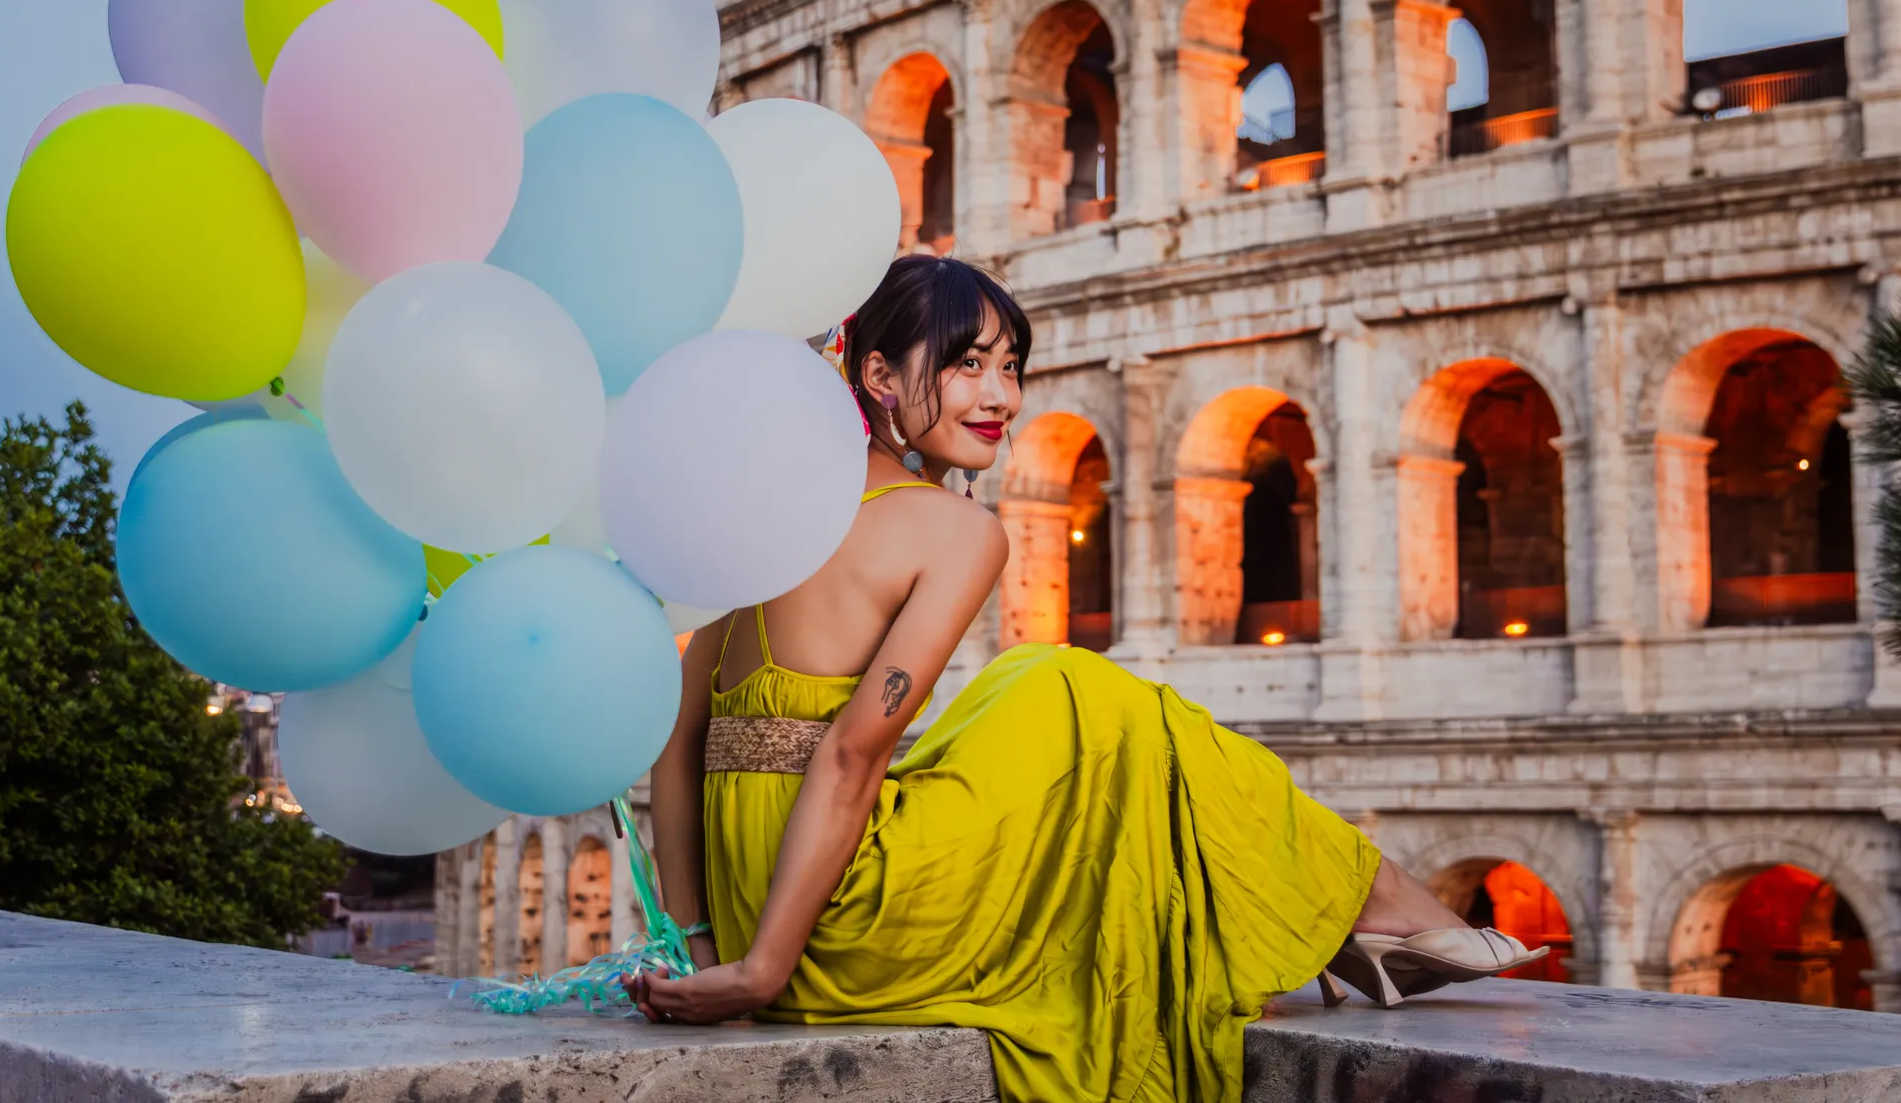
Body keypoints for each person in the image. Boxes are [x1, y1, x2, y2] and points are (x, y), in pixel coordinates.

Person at [624, 255, 1544, 1101]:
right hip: (841, 921)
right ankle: (1378, 907)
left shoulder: (765, 505)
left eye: (1011, 367)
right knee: (1087, 694)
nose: (1001, 397)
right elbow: (849, 761)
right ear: (878, 377)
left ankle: (1373, 914)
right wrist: (765, 975)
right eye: (967, 364)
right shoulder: (956, 531)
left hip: (757, 901)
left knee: (1038, 686)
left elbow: (678, 741)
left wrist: (708, 945)